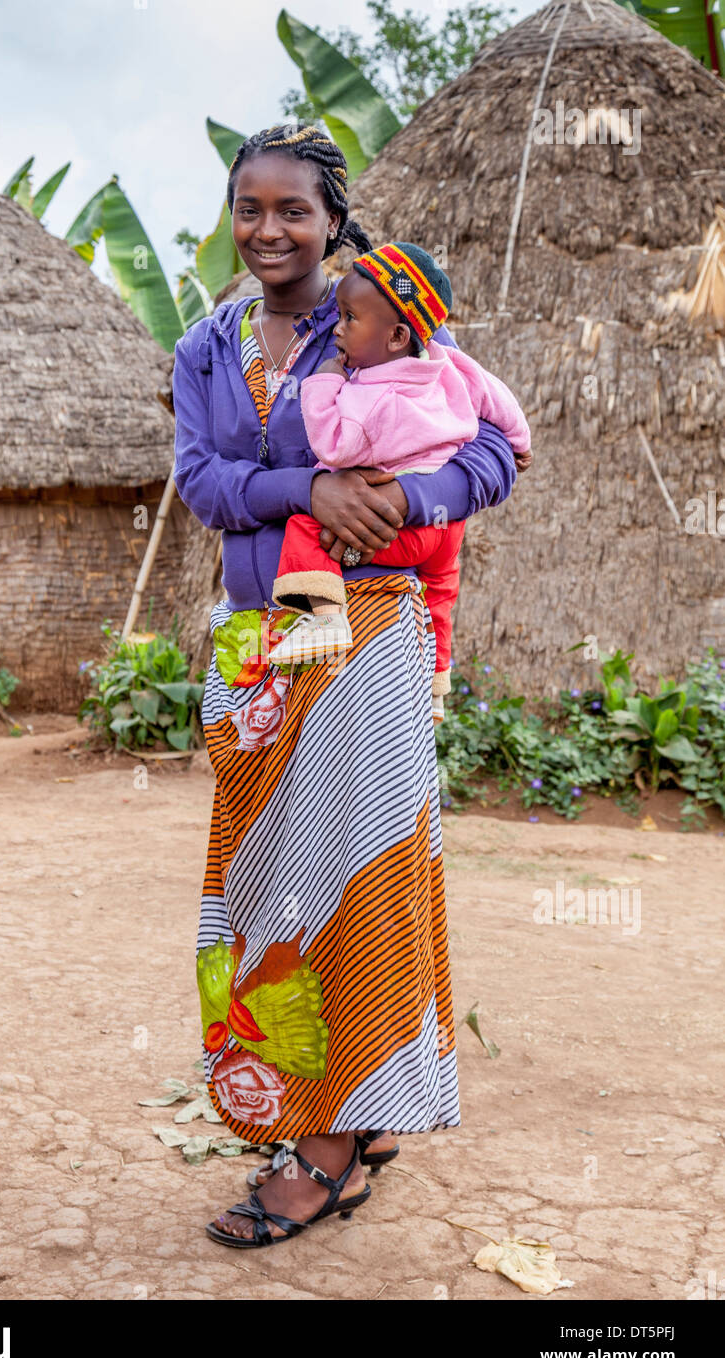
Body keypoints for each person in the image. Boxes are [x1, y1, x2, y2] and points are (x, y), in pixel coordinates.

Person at [172, 121, 531, 1248]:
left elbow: (497, 447)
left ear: (333, 218)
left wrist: (419, 502)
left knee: (357, 879)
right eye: (249, 209)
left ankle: (330, 1147)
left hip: (370, 636)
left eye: (291, 210)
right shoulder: (204, 345)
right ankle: (348, 1109)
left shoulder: (383, 316)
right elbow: (200, 481)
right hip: (261, 641)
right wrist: (309, 493)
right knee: (270, 879)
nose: (267, 230)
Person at [268, 241, 532, 724]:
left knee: (308, 527)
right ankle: (436, 685)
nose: (339, 329)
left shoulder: (370, 400)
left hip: (399, 528)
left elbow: (333, 448)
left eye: (349, 318)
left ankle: (325, 621)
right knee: (441, 595)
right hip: (447, 529)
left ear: (394, 338)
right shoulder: (449, 365)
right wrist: (519, 443)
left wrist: (325, 381)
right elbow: (500, 401)